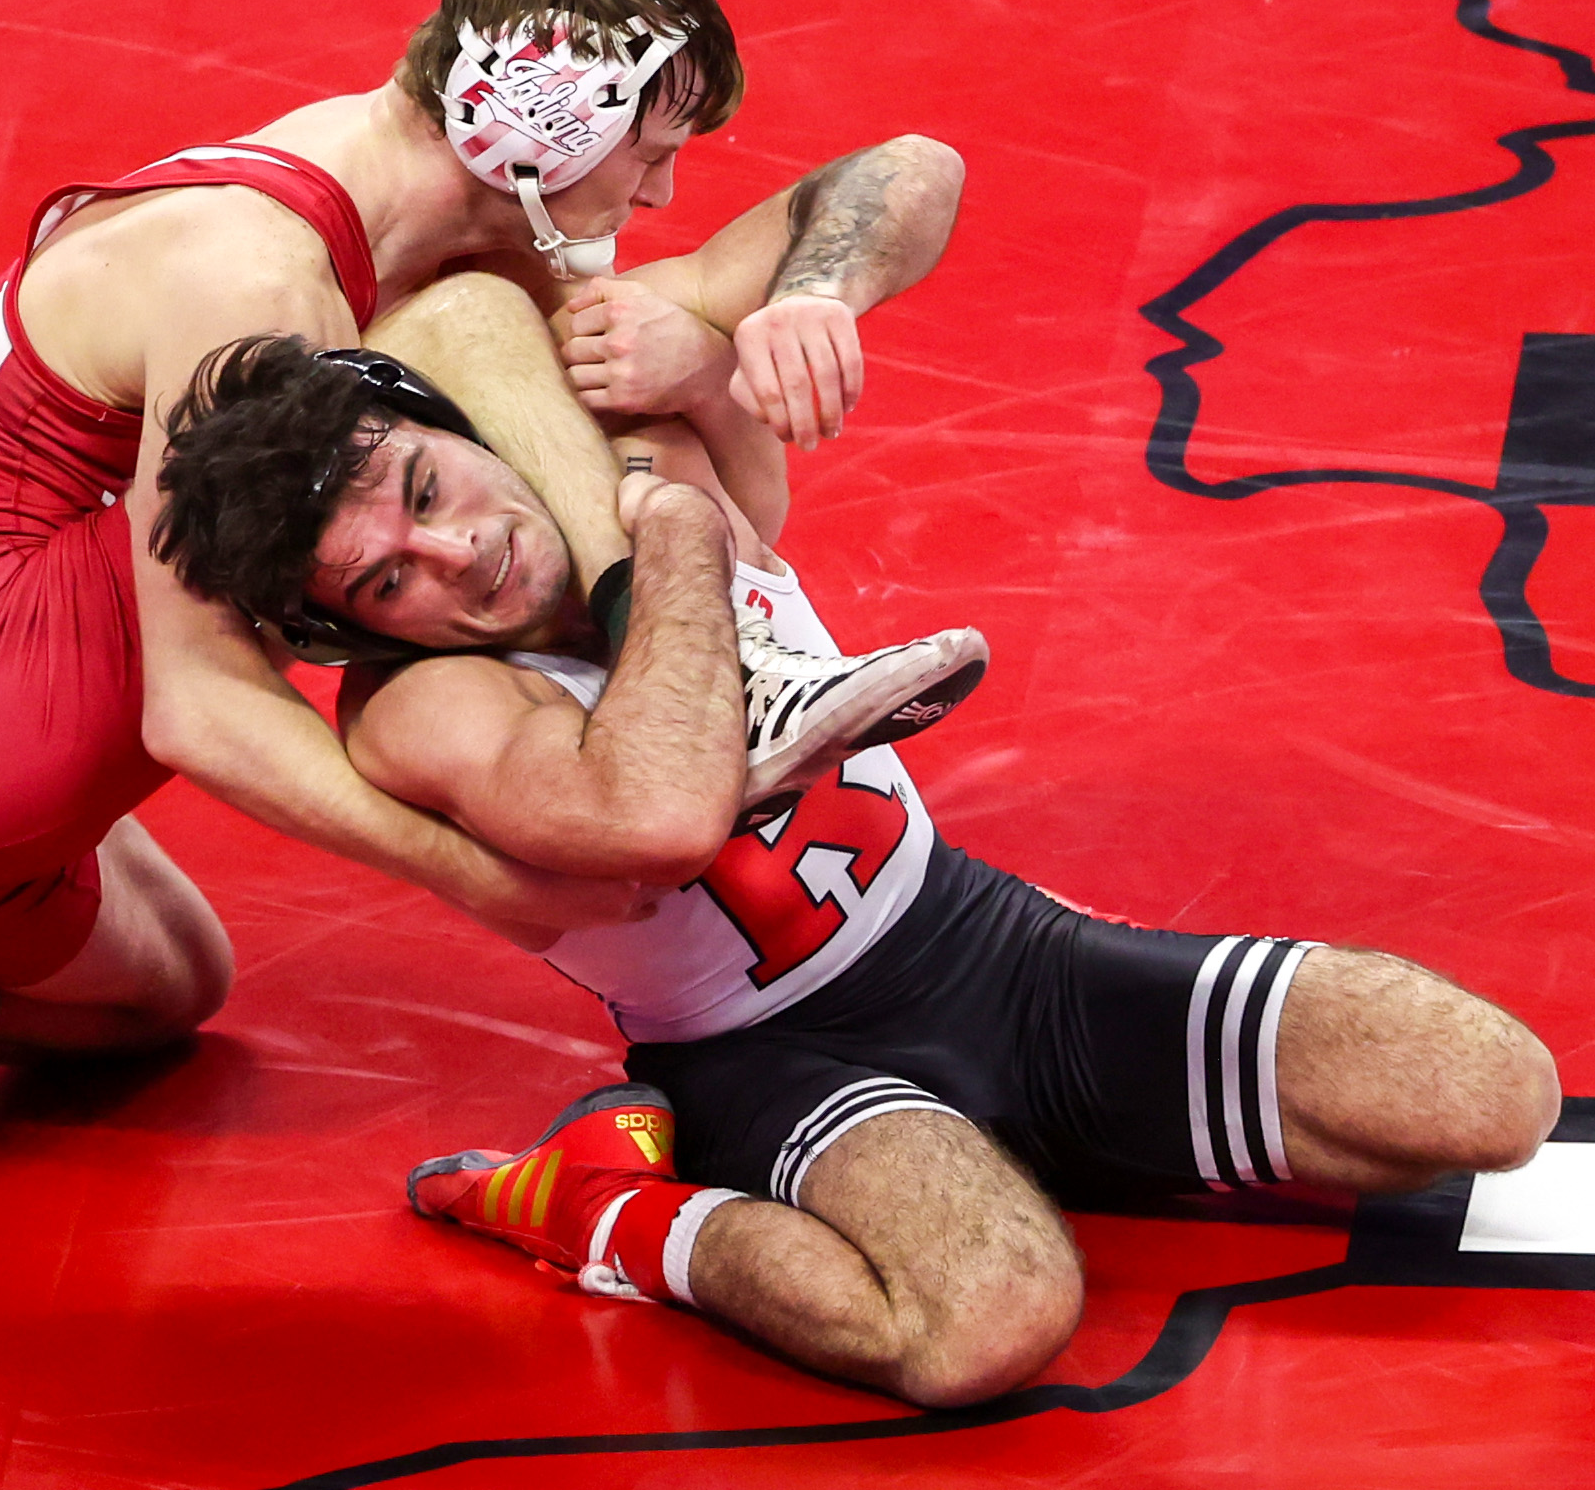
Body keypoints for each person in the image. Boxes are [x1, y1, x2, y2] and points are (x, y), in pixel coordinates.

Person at [0, 0, 971, 1233]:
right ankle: (717, 661)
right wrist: (484, 879)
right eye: (648, 150)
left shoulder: (394, 176)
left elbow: (905, 167)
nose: (664, 189)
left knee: (174, 994)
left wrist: (790, 312)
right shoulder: (261, 279)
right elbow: (195, 705)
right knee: (452, 381)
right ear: (532, 125)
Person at [170, 340, 1562, 1408]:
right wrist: (666, 536)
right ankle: (607, 1208)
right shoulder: (433, 711)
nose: (459, 554)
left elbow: (905, 176)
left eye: (428, 489)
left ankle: (1060, 1136)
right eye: (390, 581)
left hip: (988, 944)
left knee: (1492, 1094)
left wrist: (753, 332)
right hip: (781, 1060)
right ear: (355, 633)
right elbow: (649, 818)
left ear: (455, 424)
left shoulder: (620, 440)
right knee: (983, 1329)